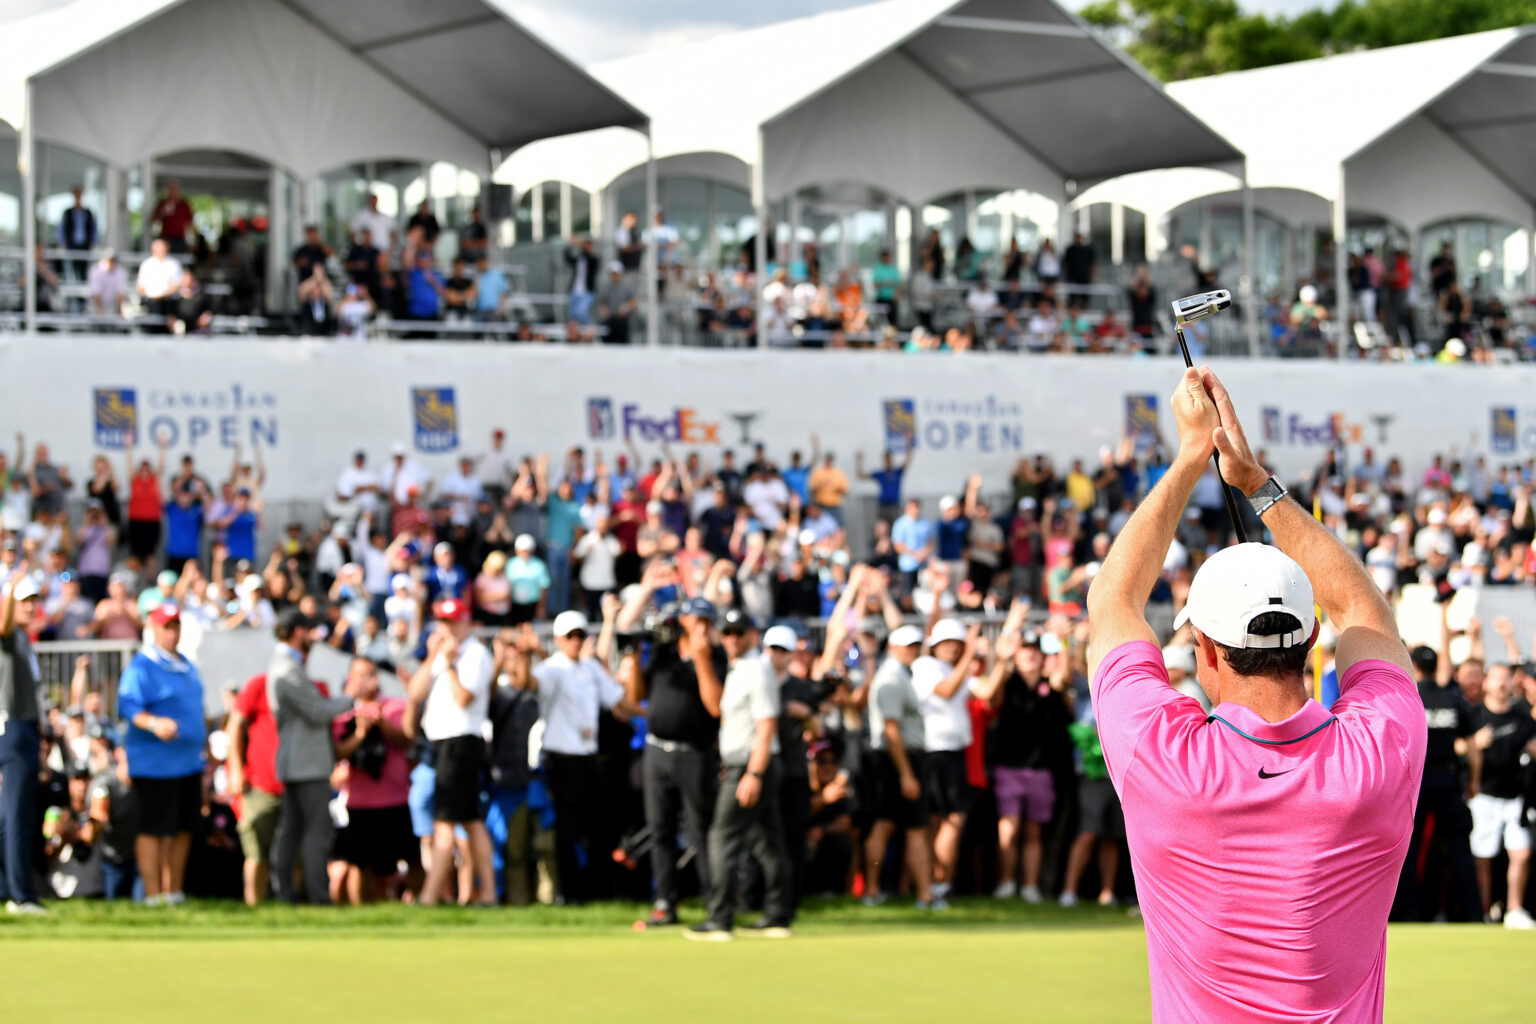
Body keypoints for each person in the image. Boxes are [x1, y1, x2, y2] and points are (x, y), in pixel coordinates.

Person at [1086, 365, 1425, 1022]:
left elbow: (1113, 600)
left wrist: (1191, 455)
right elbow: (1359, 604)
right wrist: (1256, 484)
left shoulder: (1165, 758)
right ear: (1312, 639)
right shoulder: (1380, 751)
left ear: (1205, 652)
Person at [507, 610, 638, 903]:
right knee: (567, 830)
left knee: (599, 829)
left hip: (589, 758)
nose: (576, 642)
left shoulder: (591, 668)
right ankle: (571, 894)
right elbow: (528, 683)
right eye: (570, 636)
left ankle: (598, 891)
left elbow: (618, 701)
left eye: (580, 635)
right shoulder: (552, 668)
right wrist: (526, 656)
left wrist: (652, 715)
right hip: (561, 760)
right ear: (559, 640)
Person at [686, 617, 792, 941]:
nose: (732, 638)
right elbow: (717, 708)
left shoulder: (757, 669)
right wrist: (701, 658)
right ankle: (777, 916)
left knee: (722, 838)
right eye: (727, 632)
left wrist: (753, 773)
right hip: (746, 764)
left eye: (738, 633)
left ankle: (720, 919)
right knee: (767, 841)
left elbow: (766, 726)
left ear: (752, 635)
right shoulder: (738, 669)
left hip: (751, 764)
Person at [628, 597, 725, 927]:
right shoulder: (663, 651)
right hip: (656, 751)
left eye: (704, 620)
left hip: (694, 754)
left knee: (701, 832)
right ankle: (665, 904)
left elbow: (715, 707)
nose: (698, 625)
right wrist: (632, 655)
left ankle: (716, 906)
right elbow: (636, 695)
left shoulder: (716, 656)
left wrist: (701, 660)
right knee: (660, 831)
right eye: (692, 618)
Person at [406, 598, 497, 906]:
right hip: (443, 744)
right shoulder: (444, 654)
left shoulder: (475, 654)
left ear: (466, 623)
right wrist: (434, 656)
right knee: (470, 819)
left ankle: (431, 895)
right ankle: (488, 894)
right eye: (443, 622)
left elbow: (463, 699)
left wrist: (448, 663)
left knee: (445, 821)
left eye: (453, 621)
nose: (447, 628)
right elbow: (415, 693)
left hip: (461, 742)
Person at [117, 602, 208, 906]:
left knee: (183, 828)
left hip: (188, 762)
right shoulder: (142, 666)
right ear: (153, 629)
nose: (173, 632)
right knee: (154, 829)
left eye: (176, 625)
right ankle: (153, 896)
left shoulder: (187, 664)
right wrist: (154, 723)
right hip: (156, 764)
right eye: (167, 626)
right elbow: (128, 707)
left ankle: (173, 891)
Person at [267, 609, 354, 905]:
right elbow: (318, 711)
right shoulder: (287, 668)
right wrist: (351, 698)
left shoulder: (288, 665)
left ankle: (287, 897)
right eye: (310, 631)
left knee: (292, 831)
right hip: (306, 765)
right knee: (315, 832)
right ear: (297, 632)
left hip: (300, 763)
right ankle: (318, 898)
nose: (314, 637)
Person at [332, 657, 418, 904]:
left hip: (395, 797)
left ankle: (419, 903)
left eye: (371, 674)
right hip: (360, 800)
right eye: (361, 675)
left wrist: (382, 723)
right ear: (350, 679)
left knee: (411, 858)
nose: (367, 680)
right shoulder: (343, 713)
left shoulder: (395, 706)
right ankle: (364, 913)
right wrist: (360, 733)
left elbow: (406, 741)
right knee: (361, 863)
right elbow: (338, 753)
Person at [861, 625, 934, 908]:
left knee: (886, 824)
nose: (913, 650)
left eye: (916, 645)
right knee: (912, 827)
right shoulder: (891, 678)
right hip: (899, 759)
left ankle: (873, 890)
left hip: (896, 758)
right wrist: (907, 774)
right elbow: (891, 731)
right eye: (907, 646)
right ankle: (924, 895)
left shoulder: (899, 675)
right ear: (892, 647)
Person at [910, 618, 980, 906]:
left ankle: (938, 885)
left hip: (953, 754)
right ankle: (933, 886)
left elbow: (987, 693)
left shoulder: (955, 670)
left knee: (949, 821)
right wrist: (970, 654)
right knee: (942, 821)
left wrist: (1001, 657)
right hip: (933, 754)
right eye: (948, 642)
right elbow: (946, 690)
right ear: (935, 646)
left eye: (958, 643)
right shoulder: (925, 667)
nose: (954, 648)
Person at [1469, 662, 1536, 927]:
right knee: (1483, 856)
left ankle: (1514, 908)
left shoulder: (1522, 717)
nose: (1502, 683)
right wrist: (1474, 744)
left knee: (1521, 853)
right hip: (1483, 795)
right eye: (1496, 678)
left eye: (1506, 678)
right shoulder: (1474, 715)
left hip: (1515, 797)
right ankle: (1484, 909)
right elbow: (1457, 745)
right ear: (1486, 682)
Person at [0, 575, 45, 914]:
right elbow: (2, 628)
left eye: (32, 600)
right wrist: (11, 589)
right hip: (13, 729)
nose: (29, 606)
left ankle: (11, 888)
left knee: (14, 814)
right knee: (15, 815)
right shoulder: (11, 636)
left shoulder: (26, 640)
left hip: (27, 730)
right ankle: (19, 895)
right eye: (23, 600)